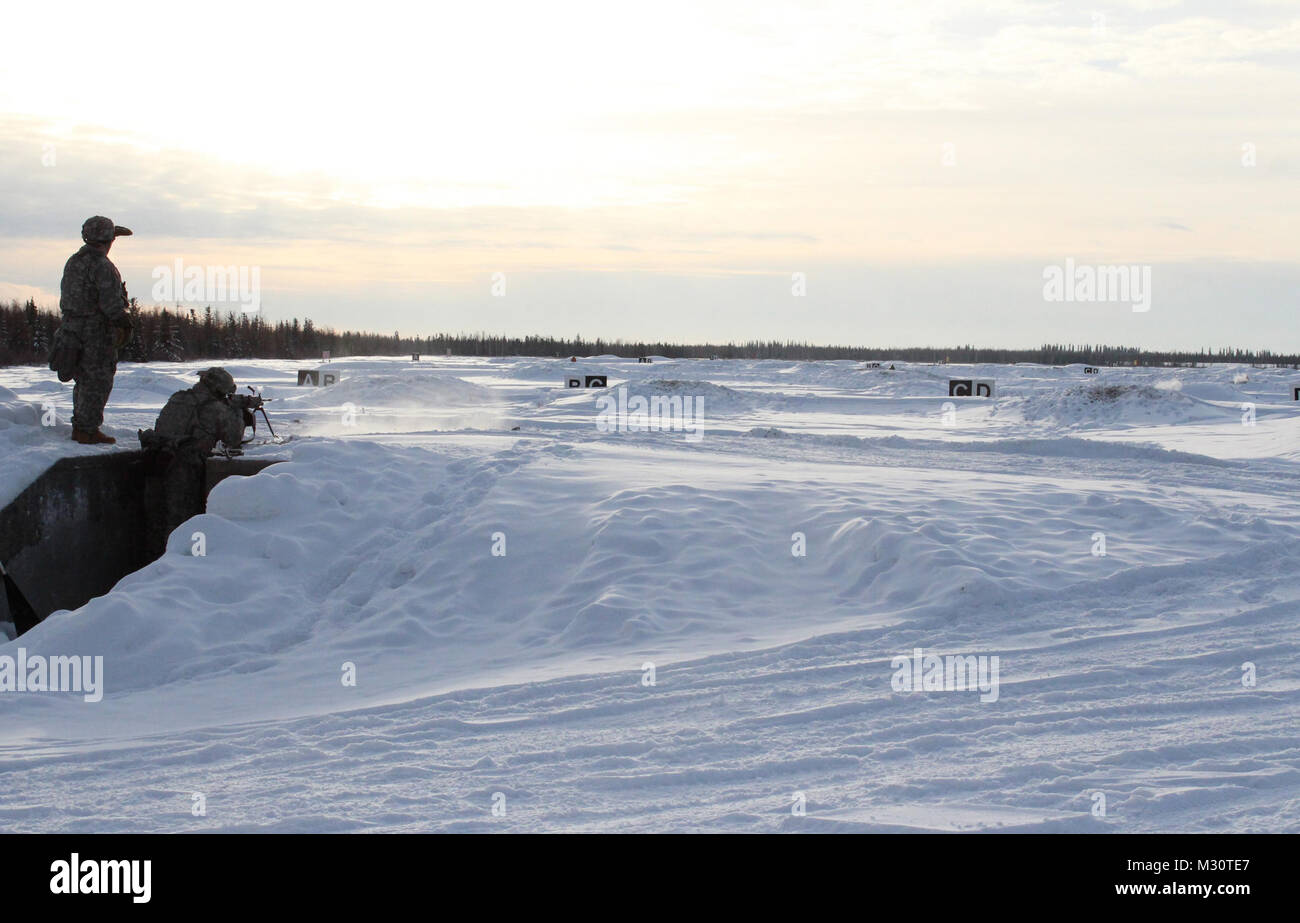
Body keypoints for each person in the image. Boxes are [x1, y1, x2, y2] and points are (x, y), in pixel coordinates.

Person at [138, 368, 261, 538]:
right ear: (219, 389)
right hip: (182, 470)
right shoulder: (214, 408)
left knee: (155, 524)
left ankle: (155, 562)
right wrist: (236, 411)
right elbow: (233, 438)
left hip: (155, 462)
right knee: (182, 525)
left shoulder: (178, 397)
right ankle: (179, 562)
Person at [55, 216, 134, 444]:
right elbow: (111, 305)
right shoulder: (103, 266)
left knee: (82, 379)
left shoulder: (74, 262)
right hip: (95, 333)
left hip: (71, 329)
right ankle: (86, 429)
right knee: (97, 380)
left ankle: (82, 425)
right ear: (107, 240)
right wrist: (124, 322)